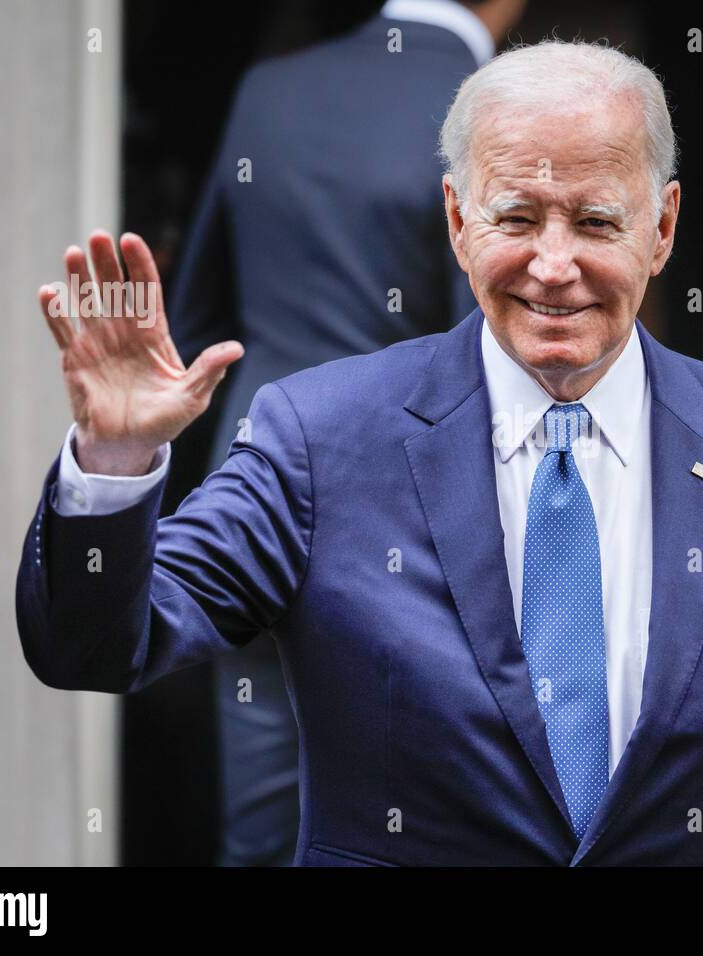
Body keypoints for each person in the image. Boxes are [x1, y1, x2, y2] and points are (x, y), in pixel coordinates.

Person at [18, 40, 703, 865]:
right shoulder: (320, 437)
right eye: (516, 216)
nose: (552, 263)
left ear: (664, 226)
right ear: (456, 218)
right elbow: (95, 648)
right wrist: (113, 461)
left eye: (597, 223)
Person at [163, 0, 527, 867]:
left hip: (253, 501)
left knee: (260, 830)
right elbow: (494, 364)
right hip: (416, 535)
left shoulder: (270, 89)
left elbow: (195, 326)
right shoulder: (494, 114)